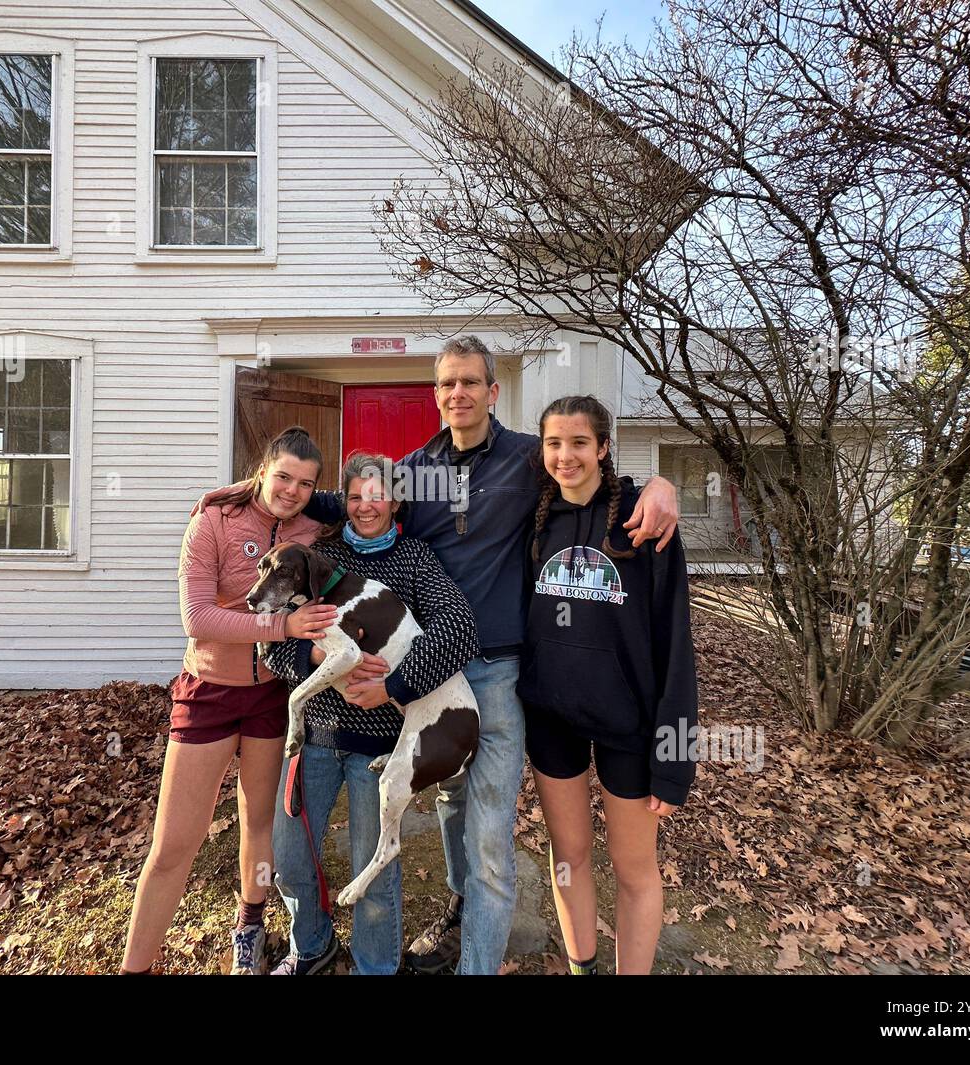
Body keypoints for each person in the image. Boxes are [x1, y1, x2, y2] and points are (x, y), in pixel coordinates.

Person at [303, 335, 682, 974]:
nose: (459, 393)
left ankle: (478, 957)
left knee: (489, 841)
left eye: (471, 382)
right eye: (448, 383)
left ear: (492, 390)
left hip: (500, 671)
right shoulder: (415, 470)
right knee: (453, 806)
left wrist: (662, 484)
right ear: (436, 393)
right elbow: (355, 503)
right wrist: (262, 492)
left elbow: (588, 474)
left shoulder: (528, 459)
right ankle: (461, 912)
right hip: (430, 674)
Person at [118, 426, 338, 975]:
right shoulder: (211, 520)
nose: (291, 490)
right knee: (174, 843)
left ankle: (250, 925)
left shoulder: (314, 530)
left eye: (305, 484)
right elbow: (199, 620)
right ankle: (135, 966)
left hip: (273, 696)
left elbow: (363, 510)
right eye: (282, 476)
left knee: (258, 822)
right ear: (262, 469)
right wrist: (282, 624)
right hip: (208, 692)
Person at [259, 452, 480, 974]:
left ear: (395, 501)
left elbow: (459, 628)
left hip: (379, 742)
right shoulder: (316, 558)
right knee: (289, 863)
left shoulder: (415, 560)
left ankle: (375, 966)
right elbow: (269, 647)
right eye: (355, 496)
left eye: (376, 495)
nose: (365, 506)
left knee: (374, 876)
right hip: (315, 738)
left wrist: (392, 686)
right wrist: (311, 654)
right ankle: (311, 948)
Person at [518, 395, 698, 975]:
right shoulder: (535, 519)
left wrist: (677, 757)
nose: (565, 456)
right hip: (552, 719)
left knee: (633, 869)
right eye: (553, 443)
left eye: (578, 443)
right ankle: (581, 966)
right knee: (568, 856)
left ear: (602, 449)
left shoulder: (644, 525)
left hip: (630, 725)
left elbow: (676, 646)